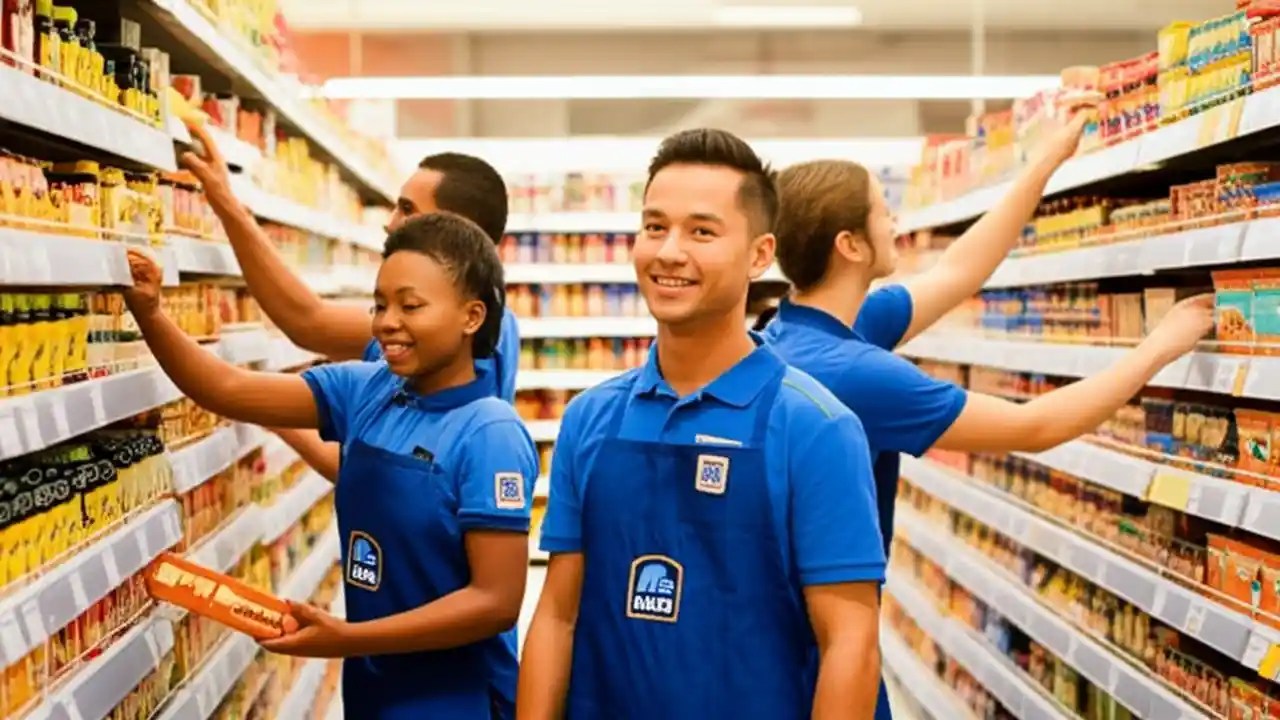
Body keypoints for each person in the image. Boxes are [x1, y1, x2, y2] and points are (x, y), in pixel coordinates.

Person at [518, 129, 884, 719]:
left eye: (702, 231)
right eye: (655, 226)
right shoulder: (592, 418)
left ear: (761, 254)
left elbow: (852, 643)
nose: (668, 251)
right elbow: (558, 615)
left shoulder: (814, 427)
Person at [123, 213, 537, 719]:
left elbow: (495, 602)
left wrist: (348, 637)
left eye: (411, 306)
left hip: (454, 698)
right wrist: (150, 313)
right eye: (380, 304)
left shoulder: (489, 432)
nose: (387, 322)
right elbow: (224, 389)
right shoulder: (366, 389)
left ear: (471, 317)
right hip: (372, 686)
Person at [180, 122, 520, 481]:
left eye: (407, 209)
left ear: (457, 228)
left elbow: (306, 321)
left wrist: (227, 204)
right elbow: (376, 471)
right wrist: (279, 413)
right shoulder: (487, 323)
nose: (391, 224)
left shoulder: (456, 348)